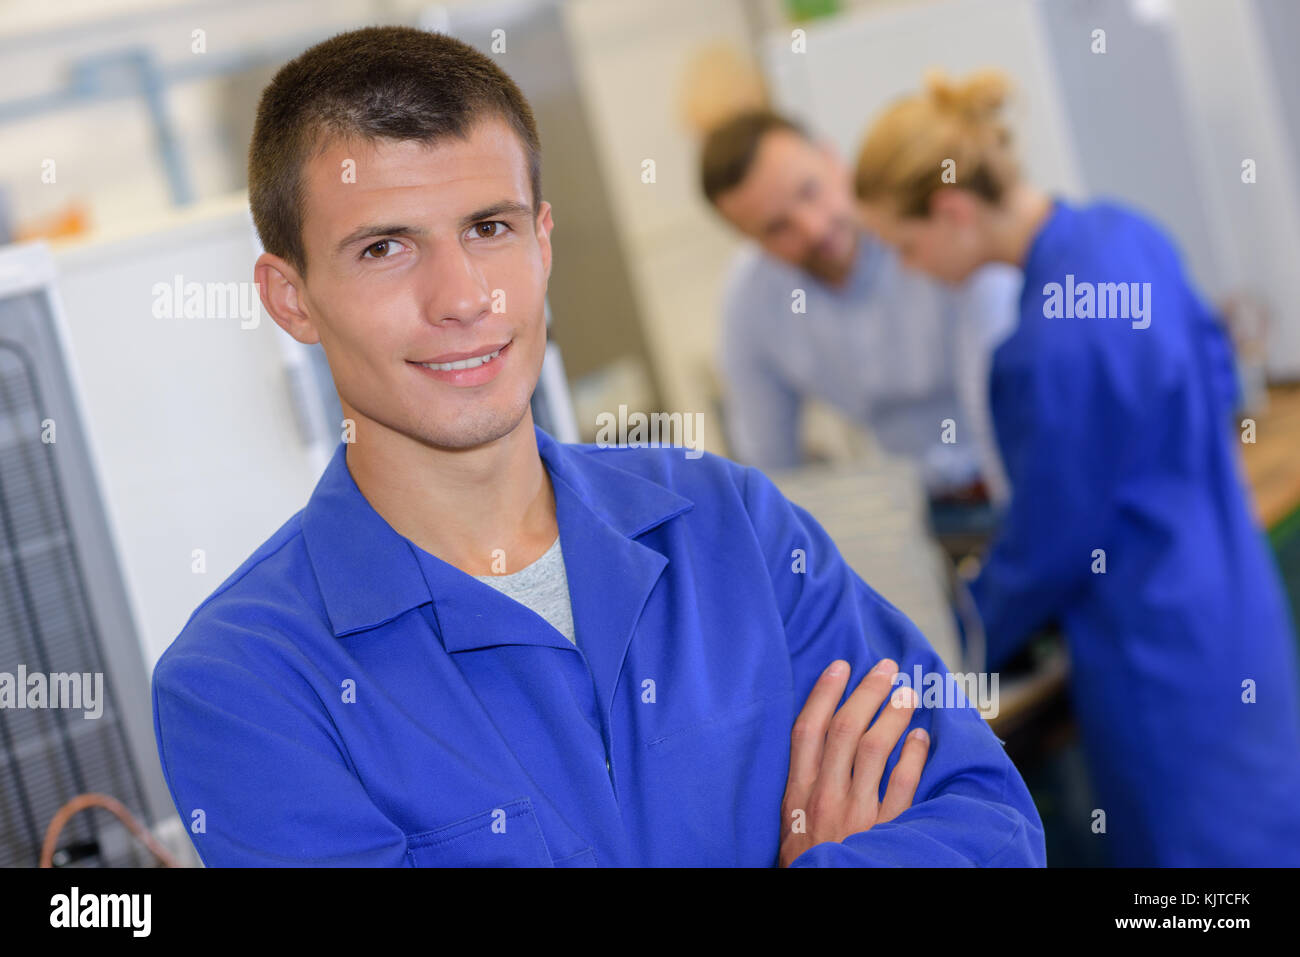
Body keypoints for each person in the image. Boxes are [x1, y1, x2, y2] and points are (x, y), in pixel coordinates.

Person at [150, 28, 1045, 868]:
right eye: (385, 247)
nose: (462, 298)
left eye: (489, 228)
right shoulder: (248, 688)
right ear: (290, 298)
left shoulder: (733, 528)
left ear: (542, 243)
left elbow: (989, 824)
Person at [852, 69, 1300, 866]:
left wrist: (941, 640)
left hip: (1156, 655)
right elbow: (1215, 376)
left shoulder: (1045, 347)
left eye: (905, 245)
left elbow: (1047, 546)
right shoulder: (1128, 234)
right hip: (1234, 608)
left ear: (951, 211)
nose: (912, 268)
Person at [699, 110, 1021, 503]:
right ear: (748, 239)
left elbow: (998, 397)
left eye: (809, 191)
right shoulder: (751, 303)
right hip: (909, 502)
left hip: (1013, 465)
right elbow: (768, 469)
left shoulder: (925, 225)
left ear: (833, 160)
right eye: (777, 227)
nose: (814, 228)